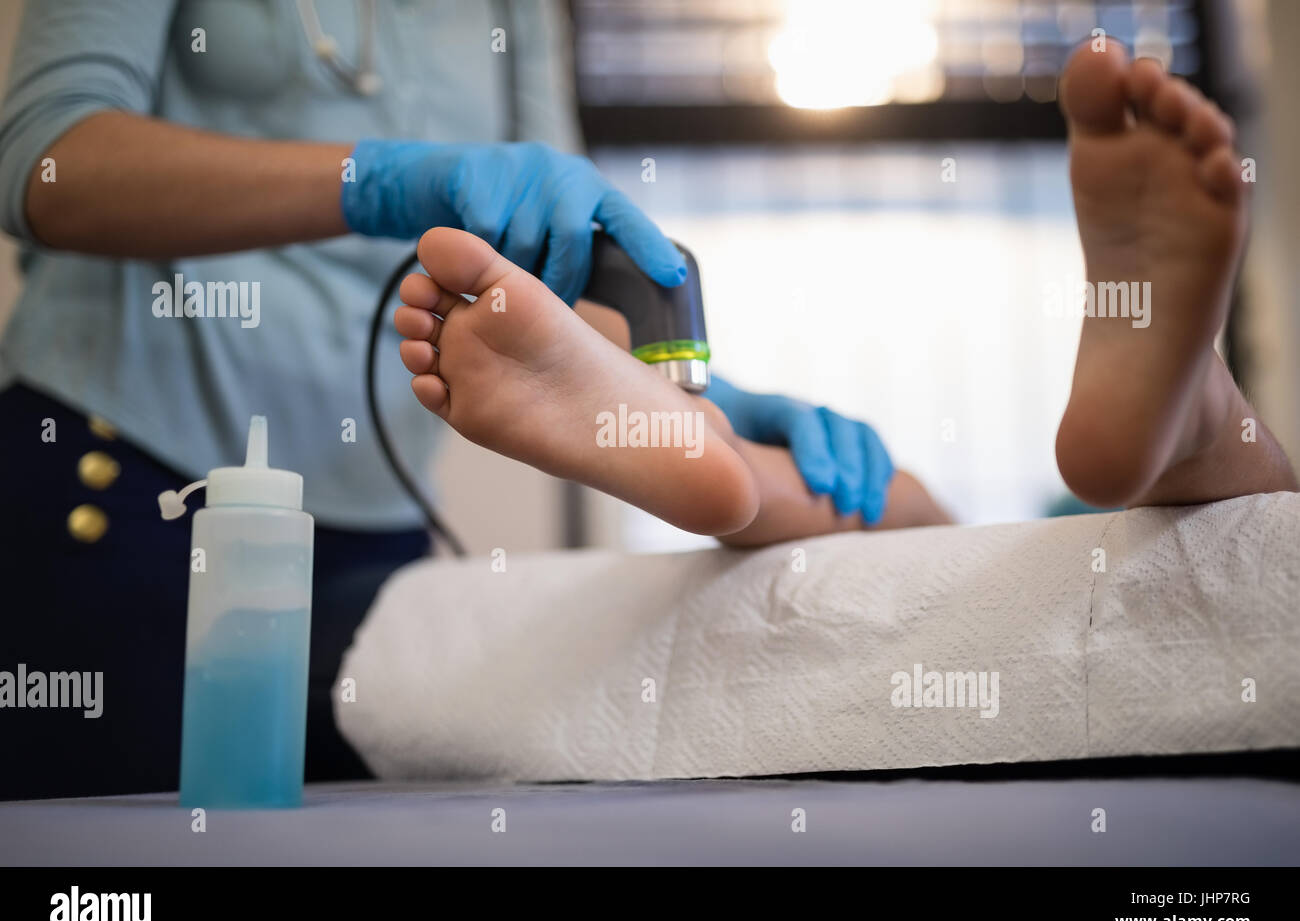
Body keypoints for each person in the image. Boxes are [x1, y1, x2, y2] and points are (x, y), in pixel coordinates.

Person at [0, 1, 894, 800]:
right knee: (109, 846)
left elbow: (569, 256)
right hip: (125, 479)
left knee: (345, 837)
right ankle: (736, 469)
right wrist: (378, 179)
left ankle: (716, 444)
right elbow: (44, 157)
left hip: (377, 520)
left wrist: (696, 385)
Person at [392, 44, 1297, 540]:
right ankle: (1197, 412)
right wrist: (360, 178)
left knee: (906, 510)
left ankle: (724, 462)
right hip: (1052, 526)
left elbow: (553, 234)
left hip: (1036, 527)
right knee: (915, 509)